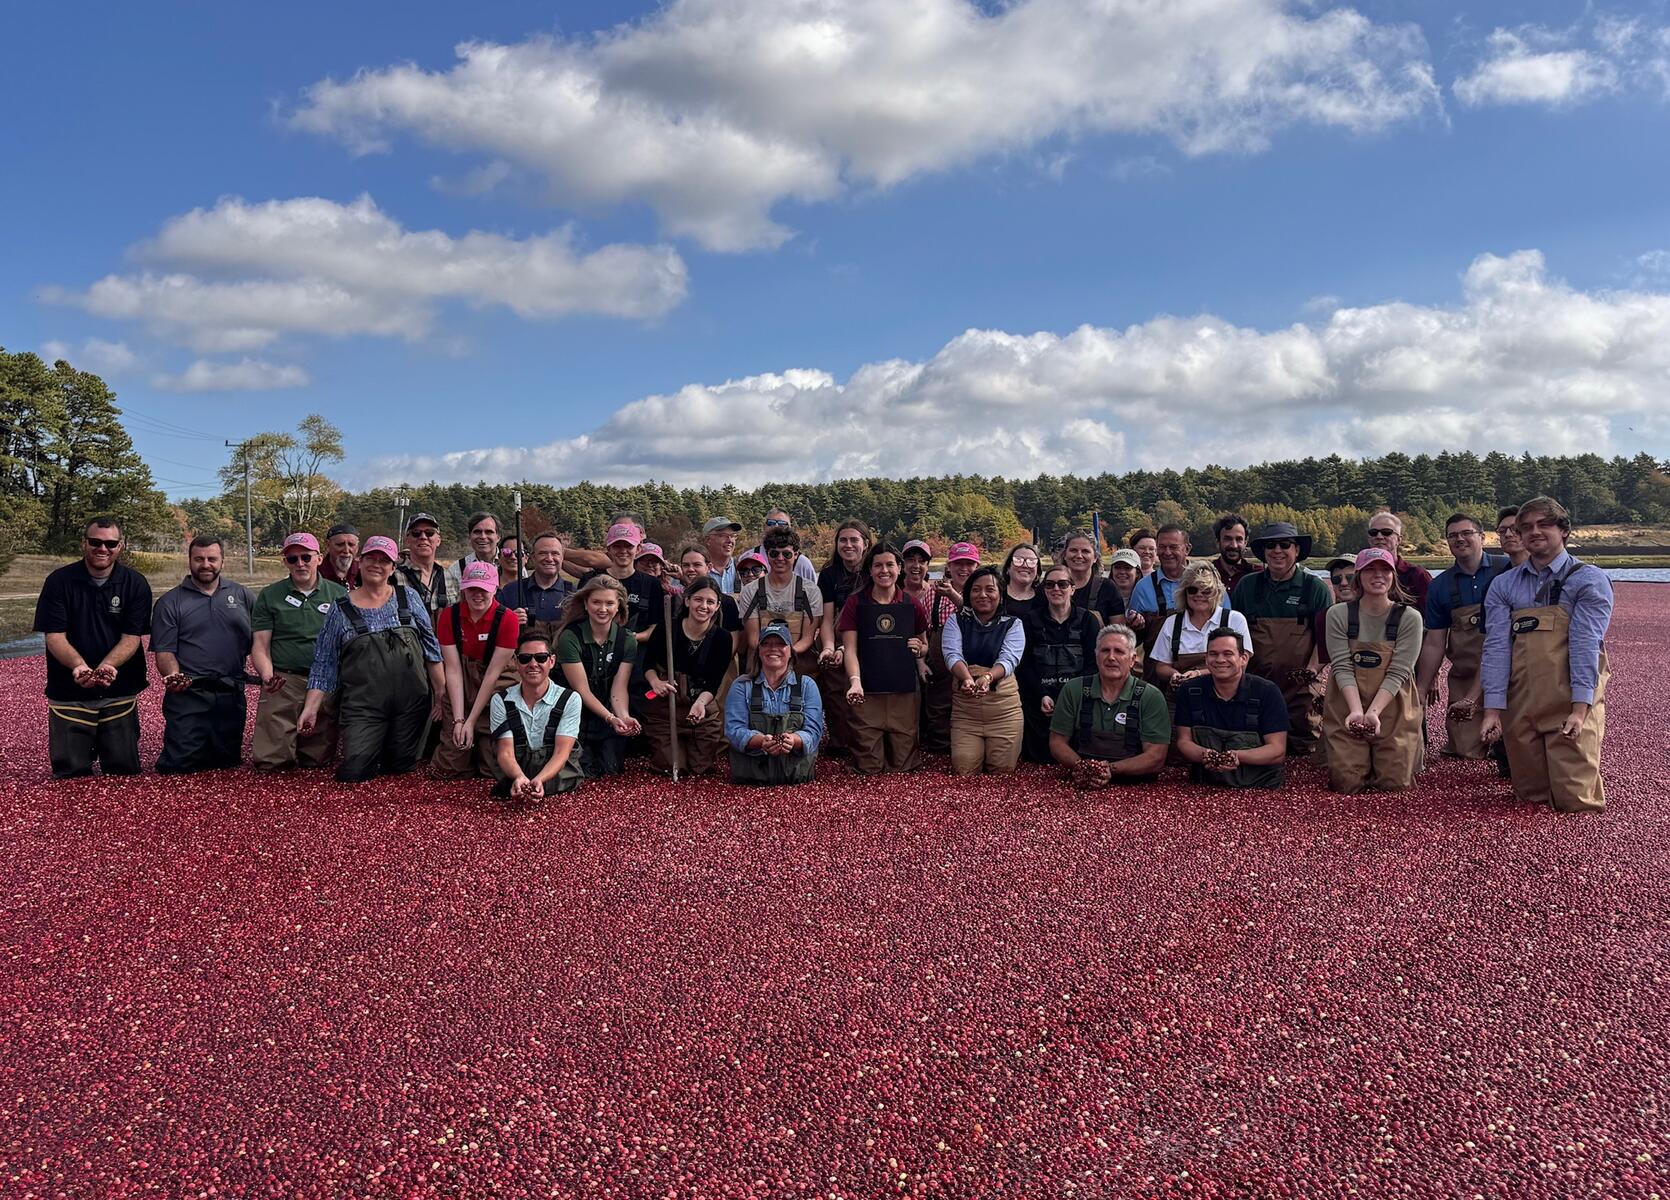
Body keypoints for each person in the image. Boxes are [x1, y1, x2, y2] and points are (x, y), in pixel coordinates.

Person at [1480, 496, 1614, 813]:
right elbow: (1497, 647)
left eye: (1544, 524)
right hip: (1521, 702)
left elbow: (1586, 644)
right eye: (1525, 527)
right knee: (1529, 796)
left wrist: (1580, 710)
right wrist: (1493, 708)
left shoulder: (1588, 579)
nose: (1534, 532)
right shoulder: (1503, 586)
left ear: (1564, 530)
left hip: (1568, 698)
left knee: (1574, 799)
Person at [301, 536, 445, 783]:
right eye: (371, 559)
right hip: (364, 706)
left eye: (384, 560)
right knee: (356, 770)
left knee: (400, 766)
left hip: (411, 703)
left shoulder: (408, 598)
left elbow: (432, 650)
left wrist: (441, 696)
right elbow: (324, 662)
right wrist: (311, 708)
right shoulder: (340, 608)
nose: (377, 565)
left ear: (393, 567)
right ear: (360, 562)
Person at [34, 516, 152, 778]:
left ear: (120, 546)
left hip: (120, 692)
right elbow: (54, 636)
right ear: (83, 543)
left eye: (110, 543)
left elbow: (132, 637)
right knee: (70, 776)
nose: (103, 549)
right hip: (69, 693)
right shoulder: (59, 581)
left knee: (123, 774)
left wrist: (108, 666)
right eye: (95, 542)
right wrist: (79, 666)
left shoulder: (135, 583)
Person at [1322, 548, 1426, 794]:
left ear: (1393, 576)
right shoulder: (1338, 614)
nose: (1378, 575)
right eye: (1370, 569)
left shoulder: (1410, 617)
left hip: (1394, 704)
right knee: (1347, 783)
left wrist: (1374, 713)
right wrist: (1357, 712)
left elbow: (1400, 670)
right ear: (1358, 576)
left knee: (1394, 784)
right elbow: (1342, 665)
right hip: (1347, 702)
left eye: (1384, 570)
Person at [150, 535, 254, 775]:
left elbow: (259, 641)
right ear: (189, 561)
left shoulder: (242, 596)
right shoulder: (169, 602)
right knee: (180, 765)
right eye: (199, 559)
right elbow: (165, 651)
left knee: (226, 764)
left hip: (231, 692)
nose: (206, 564)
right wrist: (173, 677)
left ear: (222, 562)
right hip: (189, 694)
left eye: (212, 559)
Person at [1415, 513, 1511, 760]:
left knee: (1516, 747)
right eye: (1453, 535)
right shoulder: (1440, 586)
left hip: (1513, 673)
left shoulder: (1508, 570)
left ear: (1482, 536)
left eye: (1466, 533)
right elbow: (1435, 643)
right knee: (1465, 749)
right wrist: (1420, 691)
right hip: (1466, 676)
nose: (1460, 539)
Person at [1232, 522, 1333, 756]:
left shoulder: (1315, 588)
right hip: (1256, 686)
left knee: (1304, 746)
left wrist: (1311, 671)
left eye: (1285, 544)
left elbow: (1325, 640)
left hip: (1301, 688)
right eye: (1270, 545)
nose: (1277, 550)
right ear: (1264, 552)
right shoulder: (1247, 586)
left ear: (1297, 550)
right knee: (1253, 744)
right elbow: (1233, 636)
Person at [250, 531, 348, 771]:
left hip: (324, 680)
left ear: (319, 558)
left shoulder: (339, 595)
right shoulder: (270, 595)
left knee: (316, 761)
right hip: (285, 678)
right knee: (272, 761)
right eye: (292, 559)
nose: (300, 564)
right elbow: (261, 644)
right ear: (285, 562)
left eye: (306, 557)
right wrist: (267, 674)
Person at [839, 542, 930, 774]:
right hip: (868, 688)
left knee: (902, 765)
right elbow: (849, 648)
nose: (884, 570)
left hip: (903, 690)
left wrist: (919, 648)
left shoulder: (912, 605)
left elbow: (924, 646)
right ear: (869, 570)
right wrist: (855, 681)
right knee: (869, 766)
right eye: (878, 565)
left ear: (899, 568)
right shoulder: (855, 603)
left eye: (890, 565)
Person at [1048, 624, 1170, 787]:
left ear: (1133, 659)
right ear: (1096, 656)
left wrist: (1109, 770)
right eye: (1105, 650)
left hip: (1136, 788)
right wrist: (1084, 768)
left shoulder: (1151, 696)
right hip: (1082, 784)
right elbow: (1057, 742)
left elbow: (1156, 756)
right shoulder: (1073, 689)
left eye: (1119, 651)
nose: (1111, 657)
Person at [433, 562, 522, 780]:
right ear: (464, 588)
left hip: (496, 684)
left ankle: (483, 739)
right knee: (450, 767)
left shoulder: (508, 619)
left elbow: (493, 673)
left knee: (494, 769)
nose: (478, 594)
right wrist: (459, 720)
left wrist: (471, 721)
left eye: (484, 588)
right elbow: (452, 669)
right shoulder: (449, 616)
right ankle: (461, 746)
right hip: (461, 681)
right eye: (472, 588)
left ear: (495, 588)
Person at [1173, 629, 1289, 788]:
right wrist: (1205, 755)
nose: (1220, 660)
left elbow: (1277, 750)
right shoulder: (1190, 691)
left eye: (1228, 654)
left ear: (1244, 659)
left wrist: (1237, 756)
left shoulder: (1267, 692)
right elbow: (1183, 741)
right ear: (1206, 659)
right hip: (1205, 785)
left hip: (1260, 786)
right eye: (1213, 654)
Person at [641, 576, 732, 775]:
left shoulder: (723, 639)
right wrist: (655, 682)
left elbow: (714, 682)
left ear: (717, 607)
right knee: (670, 766)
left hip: (699, 709)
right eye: (699, 599)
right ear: (687, 600)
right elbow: (647, 664)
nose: (704, 606)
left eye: (710, 602)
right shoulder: (667, 628)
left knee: (700, 768)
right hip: (667, 709)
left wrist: (700, 703)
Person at [555, 575, 642, 776]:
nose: (603, 609)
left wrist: (624, 716)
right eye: (596, 602)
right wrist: (610, 718)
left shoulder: (627, 639)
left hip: (606, 709)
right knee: (580, 769)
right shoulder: (570, 637)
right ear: (586, 604)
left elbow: (619, 687)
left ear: (618, 606)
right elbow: (581, 689)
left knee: (611, 768)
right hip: (576, 711)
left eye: (609, 603)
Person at [942, 566, 1026, 775]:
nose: (983, 595)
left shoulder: (1013, 624)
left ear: (1000, 593)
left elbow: (1009, 659)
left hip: (1003, 711)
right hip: (966, 712)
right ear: (968, 594)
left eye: (990, 589)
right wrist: (967, 679)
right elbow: (952, 655)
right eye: (976, 590)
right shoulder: (956, 620)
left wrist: (988, 677)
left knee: (1002, 770)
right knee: (964, 767)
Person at [1018, 564, 1102, 764]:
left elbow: (1094, 663)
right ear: (1044, 589)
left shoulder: (1088, 620)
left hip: (1078, 697)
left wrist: (1071, 696)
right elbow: (1024, 665)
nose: (1056, 589)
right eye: (1050, 585)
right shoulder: (1029, 620)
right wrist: (1041, 694)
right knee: (1038, 758)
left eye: (1063, 584)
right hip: (1039, 697)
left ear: (1073, 589)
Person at [725, 620, 824, 785]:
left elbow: (814, 732)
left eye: (781, 644)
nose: (773, 648)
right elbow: (734, 730)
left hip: (797, 781)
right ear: (759, 651)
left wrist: (794, 740)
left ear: (791, 652)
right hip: (750, 782)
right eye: (767, 644)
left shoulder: (807, 685)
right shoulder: (741, 686)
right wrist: (760, 741)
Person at [489, 630, 583, 801]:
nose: (533, 664)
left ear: (552, 661)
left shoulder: (570, 699)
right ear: (516, 663)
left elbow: (562, 752)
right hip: (515, 780)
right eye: (525, 658)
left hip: (558, 784)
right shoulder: (501, 700)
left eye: (541, 658)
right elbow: (505, 752)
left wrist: (540, 779)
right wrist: (519, 777)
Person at [1148, 563, 1252, 703]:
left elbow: (1241, 664)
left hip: (1226, 699)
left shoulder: (1235, 620)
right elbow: (1161, 666)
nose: (1199, 595)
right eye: (1192, 590)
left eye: (1206, 591)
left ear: (1217, 592)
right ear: (1184, 593)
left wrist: (1199, 674)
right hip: (1181, 700)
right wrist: (1174, 675)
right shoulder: (1172, 623)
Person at [900, 538, 961, 754]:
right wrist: (920, 662)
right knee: (931, 702)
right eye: (910, 560)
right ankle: (928, 742)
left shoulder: (935, 591)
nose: (916, 565)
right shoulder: (894, 590)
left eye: (921, 560)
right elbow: (923, 631)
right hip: (911, 654)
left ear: (928, 565)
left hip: (941, 655)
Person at [1129, 524, 1217, 669]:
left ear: (1187, 549)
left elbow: (1225, 626)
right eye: (1162, 547)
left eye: (1173, 547)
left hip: (1207, 671)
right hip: (1157, 674)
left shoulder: (1210, 584)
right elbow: (1133, 639)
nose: (1167, 552)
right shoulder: (1143, 587)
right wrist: (1134, 625)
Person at [738, 526, 822, 677]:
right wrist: (773, 659)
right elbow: (753, 639)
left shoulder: (810, 591)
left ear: (796, 555)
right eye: (774, 553)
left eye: (787, 554)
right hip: (760, 666)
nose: (780, 559)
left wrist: (785, 656)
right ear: (767, 555)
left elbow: (807, 638)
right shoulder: (750, 591)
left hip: (799, 666)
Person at [817, 520, 872, 750]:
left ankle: (865, 743)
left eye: (854, 540)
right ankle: (840, 743)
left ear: (866, 543)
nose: (848, 545)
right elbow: (827, 618)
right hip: (838, 635)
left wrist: (846, 648)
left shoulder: (874, 571)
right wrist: (829, 647)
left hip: (869, 638)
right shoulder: (829, 575)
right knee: (834, 689)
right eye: (843, 540)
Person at [497, 531, 571, 644]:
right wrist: (508, 622)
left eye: (555, 553)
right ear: (533, 557)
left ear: (562, 557)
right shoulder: (509, 591)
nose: (549, 558)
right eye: (543, 553)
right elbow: (491, 630)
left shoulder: (574, 594)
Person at [394, 512, 460, 615]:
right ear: (407, 540)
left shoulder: (450, 578)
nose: (423, 537)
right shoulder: (392, 577)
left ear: (438, 540)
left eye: (430, 532)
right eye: (416, 533)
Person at [1365, 512, 1432, 611]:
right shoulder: (1360, 574)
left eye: (1386, 532)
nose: (1379, 536)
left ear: (1399, 539)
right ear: (1369, 539)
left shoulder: (1418, 575)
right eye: (1373, 532)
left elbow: (1434, 614)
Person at [746, 509, 817, 582]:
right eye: (771, 523)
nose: (776, 526)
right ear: (764, 527)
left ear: (790, 528)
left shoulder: (802, 563)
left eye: (782, 523)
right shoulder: (748, 557)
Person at [1092, 548, 1144, 631]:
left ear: (1137, 572)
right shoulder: (1097, 596)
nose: (1122, 572)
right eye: (1117, 567)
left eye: (1127, 568)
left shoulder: (1146, 597)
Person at [1210, 513, 1262, 593]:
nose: (1234, 545)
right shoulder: (1206, 574)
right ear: (1218, 542)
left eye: (1239, 539)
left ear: (1245, 542)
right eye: (1227, 539)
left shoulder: (1258, 575)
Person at [1058, 529, 1107, 612]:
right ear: (1065, 555)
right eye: (1073, 550)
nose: (1079, 556)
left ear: (1095, 557)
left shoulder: (1107, 588)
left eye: (1085, 551)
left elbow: (1118, 624)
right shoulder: (1050, 586)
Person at [702, 516, 744, 591]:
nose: (730, 540)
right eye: (723, 535)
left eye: (732, 536)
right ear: (708, 540)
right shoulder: (694, 569)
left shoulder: (744, 569)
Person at [999, 543, 1042, 616]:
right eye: (1018, 560)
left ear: (1037, 569)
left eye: (1031, 561)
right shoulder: (997, 595)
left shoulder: (1045, 597)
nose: (1025, 565)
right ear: (1008, 567)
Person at [318, 522, 361, 588]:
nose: (346, 550)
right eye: (340, 544)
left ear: (357, 547)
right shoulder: (316, 573)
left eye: (351, 544)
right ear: (328, 545)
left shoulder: (363, 572)